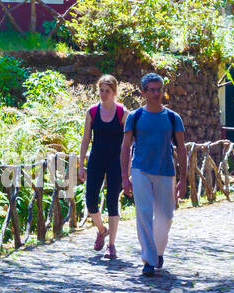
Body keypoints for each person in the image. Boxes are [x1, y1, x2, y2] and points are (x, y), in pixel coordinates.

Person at [120, 73, 187, 277]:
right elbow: (125, 147)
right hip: (140, 170)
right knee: (144, 213)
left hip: (166, 171)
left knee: (165, 216)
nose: (157, 93)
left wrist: (183, 179)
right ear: (144, 92)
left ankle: (157, 251)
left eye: (159, 89)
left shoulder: (173, 118)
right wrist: (125, 176)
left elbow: (182, 149)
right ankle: (148, 260)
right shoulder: (135, 117)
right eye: (152, 90)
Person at [77, 74, 125, 259]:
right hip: (96, 160)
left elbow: (129, 142)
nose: (103, 94)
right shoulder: (92, 112)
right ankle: (101, 229)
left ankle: (111, 245)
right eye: (101, 90)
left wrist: (127, 168)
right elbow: (85, 140)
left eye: (107, 91)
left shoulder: (122, 113)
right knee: (90, 202)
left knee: (112, 202)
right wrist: (81, 165)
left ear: (114, 92)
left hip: (115, 162)